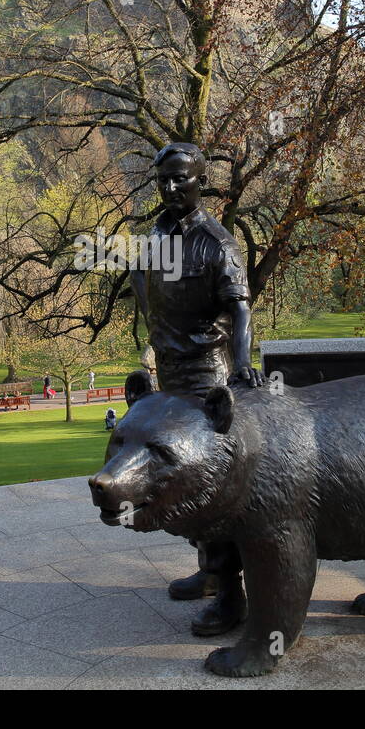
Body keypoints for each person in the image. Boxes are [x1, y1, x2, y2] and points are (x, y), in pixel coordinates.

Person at [130, 141, 263, 637]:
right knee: (180, 477)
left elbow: (240, 307)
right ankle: (211, 571)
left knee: (213, 484)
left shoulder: (217, 241)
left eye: (180, 178)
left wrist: (243, 363)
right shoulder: (155, 237)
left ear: (201, 182)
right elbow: (145, 292)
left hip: (207, 375)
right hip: (170, 373)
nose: (169, 187)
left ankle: (233, 598)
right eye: (163, 178)